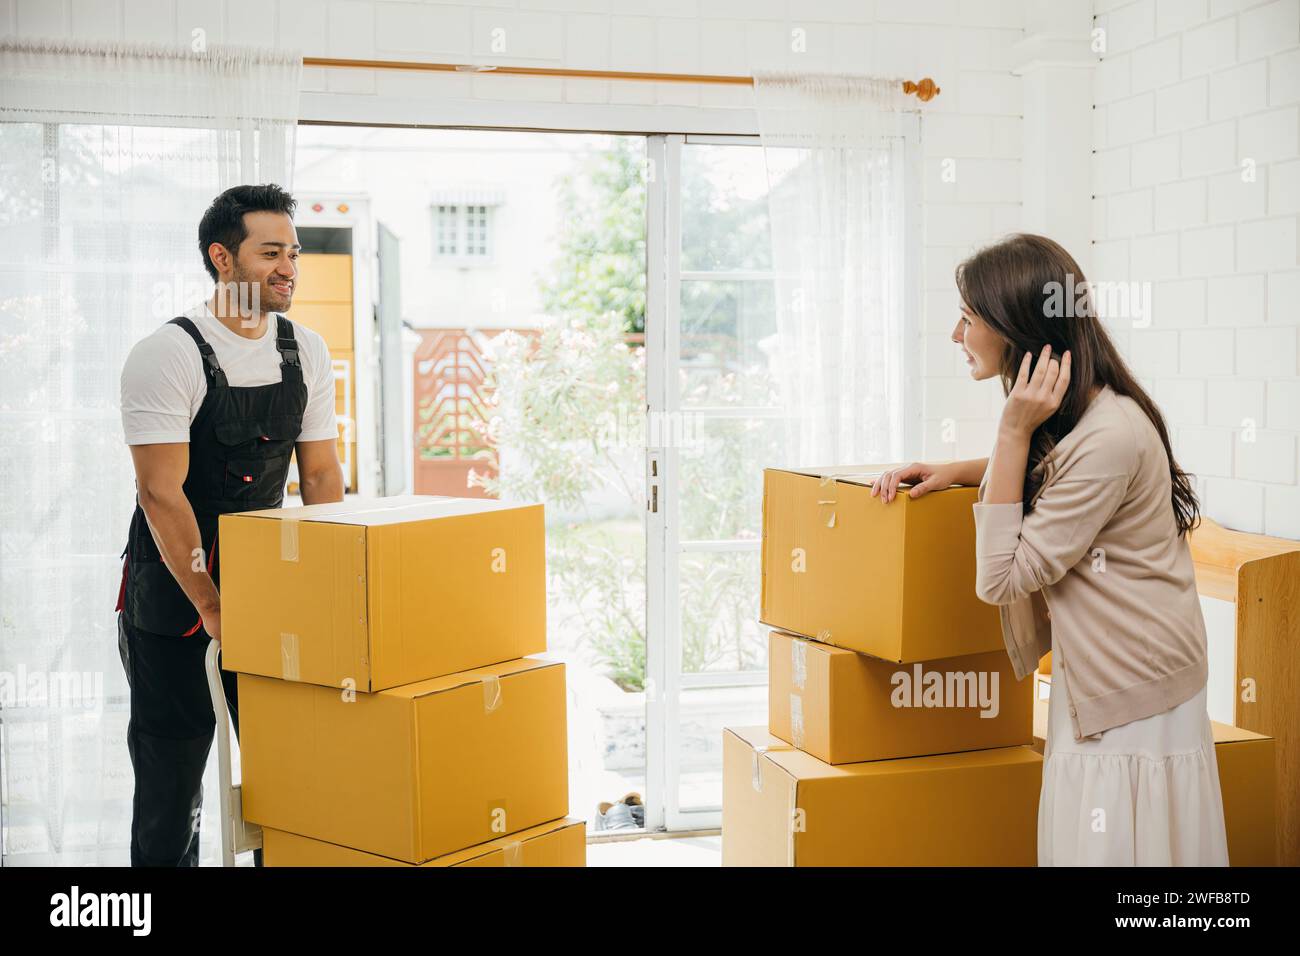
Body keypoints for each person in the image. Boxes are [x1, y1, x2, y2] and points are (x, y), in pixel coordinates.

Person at [871, 233, 1229, 866]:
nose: (957, 335)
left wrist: (1012, 426)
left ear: (1018, 327)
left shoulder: (1110, 433)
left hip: (1135, 689)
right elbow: (1061, 468)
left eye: (969, 318)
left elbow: (1002, 577)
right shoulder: (1088, 418)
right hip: (1113, 675)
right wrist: (958, 470)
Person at [115, 184, 344, 866]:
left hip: (270, 590)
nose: (289, 268)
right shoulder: (169, 353)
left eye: (294, 253)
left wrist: (330, 585)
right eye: (270, 252)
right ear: (222, 258)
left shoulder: (305, 349)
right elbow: (160, 493)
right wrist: (211, 602)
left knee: (288, 774)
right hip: (176, 590)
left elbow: (323, 478)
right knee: (172, 781)